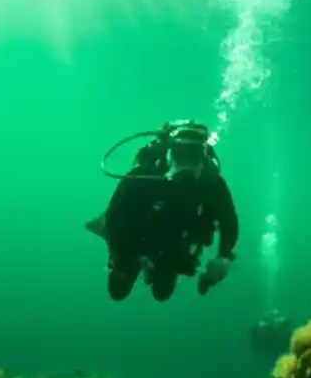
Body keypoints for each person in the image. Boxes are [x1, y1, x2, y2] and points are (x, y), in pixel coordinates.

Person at [85, 120, 239, 301]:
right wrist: (118, 255)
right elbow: (114, 215)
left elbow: (229, 221)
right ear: (168, 152)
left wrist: (224, 257)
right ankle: (134, 266)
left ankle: (156, 269)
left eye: (195, 155)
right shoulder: (142, 175)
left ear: (204, 156)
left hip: (175, 242)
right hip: (135, 235)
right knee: (118, 291)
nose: (187, 163)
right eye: (181, 153)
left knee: (162, 293)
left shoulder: (212, 184)